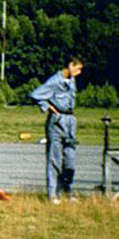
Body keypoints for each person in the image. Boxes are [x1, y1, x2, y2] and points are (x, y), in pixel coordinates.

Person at [29, 54, 84, 203]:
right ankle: (53, 194)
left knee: (70, 159)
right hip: (57, 122)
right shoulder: (55, 81)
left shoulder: (71, 81)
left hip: (70, 121)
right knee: (55, 159)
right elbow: (35, 95)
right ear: (70, 65)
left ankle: (67, 191)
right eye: (78, 69)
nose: (79, 73)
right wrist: (48, 107)